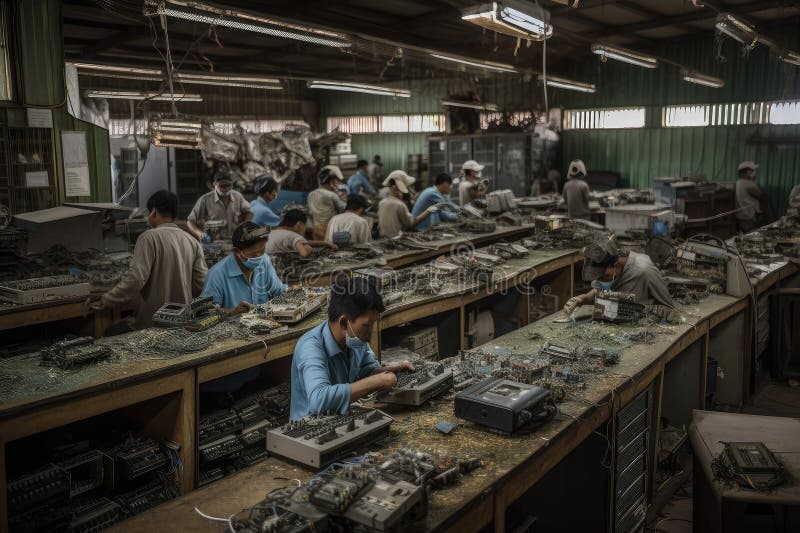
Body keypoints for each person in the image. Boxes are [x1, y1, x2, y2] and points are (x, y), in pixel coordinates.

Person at [290, 277, 414, 419]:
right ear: (344, 322)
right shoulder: (310, 347)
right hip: (310, 429)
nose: (370, 334)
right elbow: (319, 399)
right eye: (367, 326)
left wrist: (392, 370)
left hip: (342, 418)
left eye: (373, 324)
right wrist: (377, 381)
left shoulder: (355, 337)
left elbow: (366, 373)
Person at [88, 190, 207, 330]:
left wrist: (106, 300)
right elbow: (201, 282)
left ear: (154, 212)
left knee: (109, 333)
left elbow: (136, 278)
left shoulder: (148, 237)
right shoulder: (192, 241)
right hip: (182, 322)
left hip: (151, 324)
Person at [563, 238, 673, 314]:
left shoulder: (644, 270)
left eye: (603, 277)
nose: (600, 281)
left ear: (615, 266)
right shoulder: (611, 271)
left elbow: (669, 308)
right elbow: (600, 289)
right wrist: (584, 298)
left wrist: (640, 311)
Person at [201, 222, 286, 315]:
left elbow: (278, 290)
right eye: (254, 254)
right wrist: (232, 311)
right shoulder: (217, 274)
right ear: (237, 251)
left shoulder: (264, 260)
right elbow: (205, 312)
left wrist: (293, 291)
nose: (259, 257)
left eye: (262, 251)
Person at [187, 170, 253, 242]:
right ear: (214, 184)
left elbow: (249, 212)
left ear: (232, 185)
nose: (225, 188)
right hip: (213, 244)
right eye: (222, 186)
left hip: (235, 242)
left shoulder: (238, 197)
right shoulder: (204, 200)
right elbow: (190, 222)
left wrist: (244, 226)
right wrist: (201, 234)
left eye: (228, 185)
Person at [378, 170, 437, 238]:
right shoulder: (399, 205)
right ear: (399, 188)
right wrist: (428, 211)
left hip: (382, 239)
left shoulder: (382, 202)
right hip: (395, 240)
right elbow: (410, 224)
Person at [265, 208, 337, 256]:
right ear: (299, 224)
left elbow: (298, 242)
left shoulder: (273, 232)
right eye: (305, 226)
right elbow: (307, 251)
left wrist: (324, 243)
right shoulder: (293, 235)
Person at [308, 165, 346, 241]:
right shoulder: (331, 195)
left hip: (316, 229)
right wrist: (344, 198)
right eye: (336, 180)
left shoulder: (311, 194)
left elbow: (310, 214)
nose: (337, 183)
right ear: (330, 181)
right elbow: (344, 209)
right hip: (330, 229)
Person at [735, 161, 763, 233]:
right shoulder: (747, 183)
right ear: (747, 171)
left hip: (742, 215)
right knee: (753, 237)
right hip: (749, 216)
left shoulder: (739, 182)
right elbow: (759, 195)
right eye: (752, 170)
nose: (754, 172)